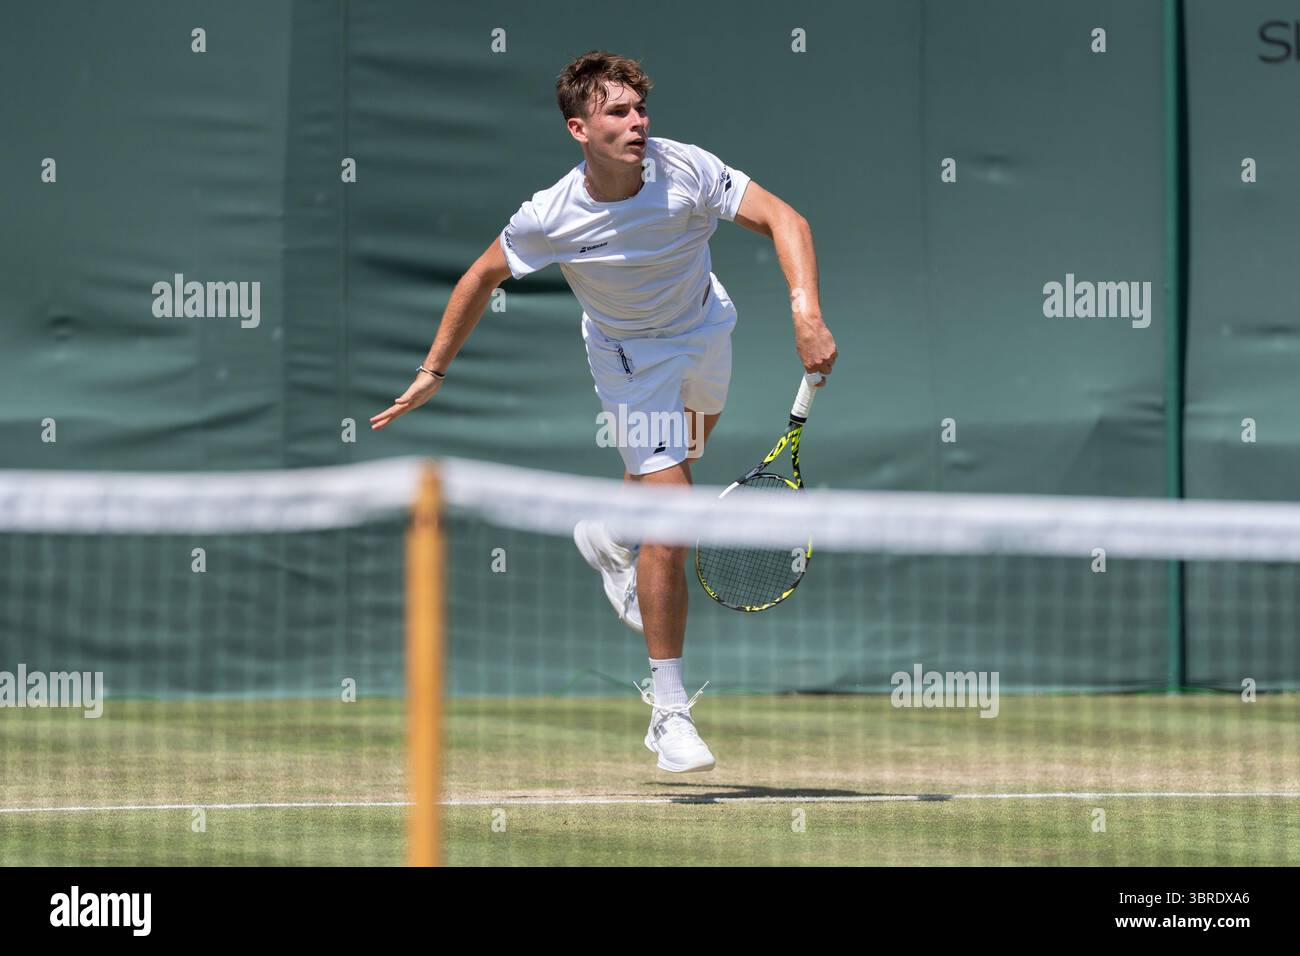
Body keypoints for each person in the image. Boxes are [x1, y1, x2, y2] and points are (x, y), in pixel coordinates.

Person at [371, 51, 836, 773]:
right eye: (618, 112)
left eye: (640, 109)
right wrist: (433, 370)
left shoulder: (686, 168)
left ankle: (608, 530)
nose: (637, 123)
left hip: (706, 330)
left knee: (672, 476)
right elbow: (480, 276)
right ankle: (669, 712)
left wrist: (805, 311)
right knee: (673, 518)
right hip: (629, 363)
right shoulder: (552, 214)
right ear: (578, 128)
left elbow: (785, 219)